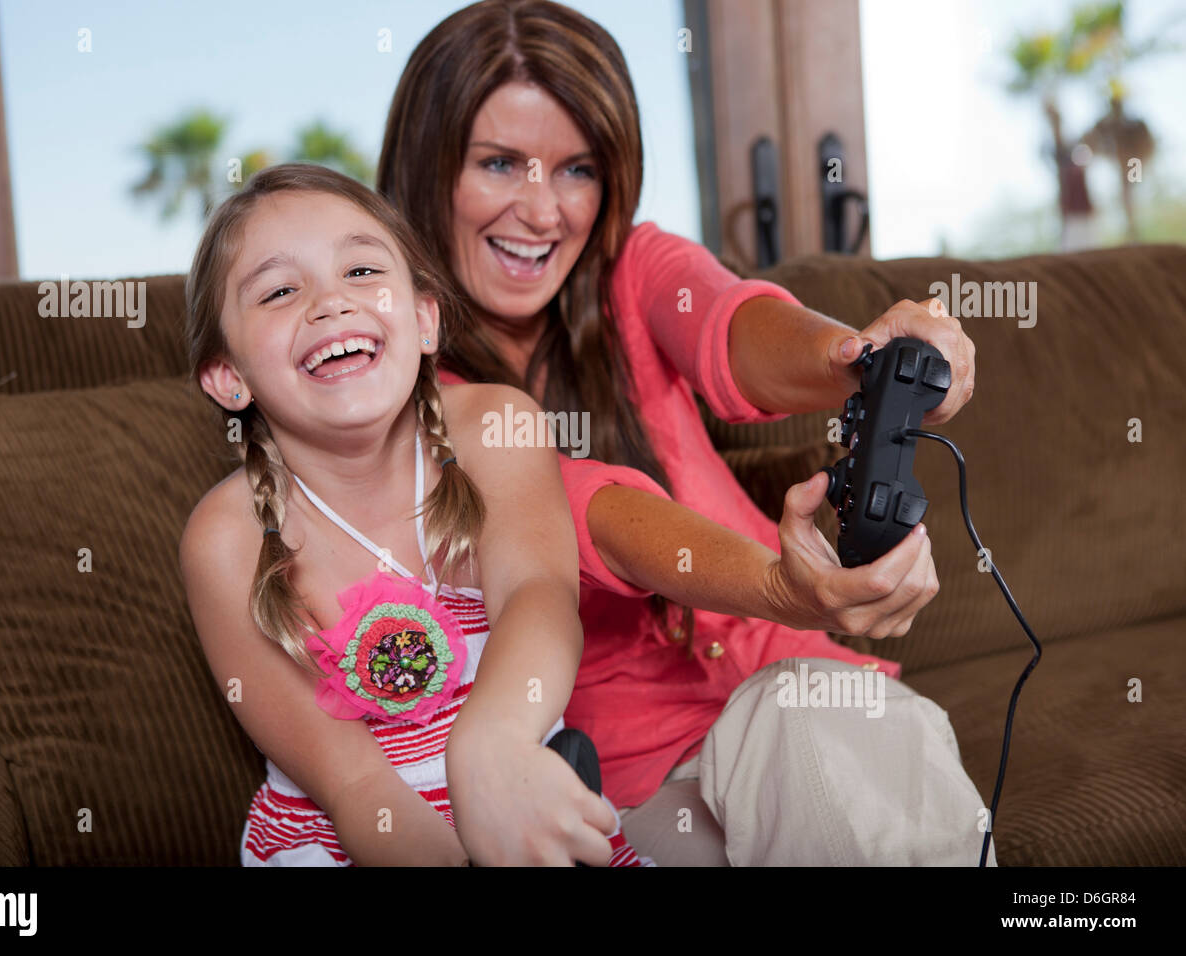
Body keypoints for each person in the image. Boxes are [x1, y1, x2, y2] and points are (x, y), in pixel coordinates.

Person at [377, 0, 993, 865]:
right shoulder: (400, 390)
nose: (543, 210)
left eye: (577, 169)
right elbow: (588, 514)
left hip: (804, 703)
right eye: (500, 163)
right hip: (634, 787)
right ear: (424, 166)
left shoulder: (633, 270)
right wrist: (782, 584)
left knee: (809, 727)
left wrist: (858, 358)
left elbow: (735, 331)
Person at [178, 163, 650, 866]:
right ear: (229, 376)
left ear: (425, 320)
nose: (330, 303)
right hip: (356, 832)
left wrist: (493, 745)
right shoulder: (225, 539)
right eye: (280, 290)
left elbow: (539, 595)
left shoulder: (497, 426)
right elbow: (355, 785)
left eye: (362, 271)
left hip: (515, 777)